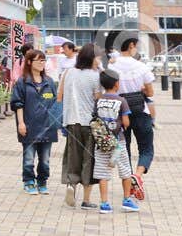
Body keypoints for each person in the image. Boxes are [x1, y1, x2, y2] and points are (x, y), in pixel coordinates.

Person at [10, 47, 62, 194]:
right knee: (29, 158)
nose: (42, 63)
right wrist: (21, 123)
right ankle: (29, 182)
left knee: (45, 160)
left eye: (43, 60)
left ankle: (42, 181)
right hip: (29, 126)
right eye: (38, 60)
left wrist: (57, 122)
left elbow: (55, 103)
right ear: (29, 62)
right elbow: (17, 104)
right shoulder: (22, 82)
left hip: (47, 127)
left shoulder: (49, 82)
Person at [58, 43, 103, 208]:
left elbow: (60, 96)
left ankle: (71, 185)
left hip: (71, 121)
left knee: (73, 156)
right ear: (92, 58)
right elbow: (98, 98)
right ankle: (86, 199)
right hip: (89, 123)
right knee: (88, 159)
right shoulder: (95, 76)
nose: (99, 60)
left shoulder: (68, 73)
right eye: (98, 57)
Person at [111, 36, 156, 196]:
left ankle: (129, 181)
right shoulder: (141, 66)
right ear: (131, 46)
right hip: (140, 111)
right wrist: (141, 90)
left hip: (120, 112)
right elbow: (150, 92)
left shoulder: (112, 67)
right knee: (146, 148)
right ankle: (138, 175)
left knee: (124, 148)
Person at [91, 70, 140, 214]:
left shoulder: (98, 100)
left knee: (102, 172)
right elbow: (126, 122)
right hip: (118, 142)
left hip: (101, 142)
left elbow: (95, 118)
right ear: (117, 84)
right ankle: (126, 200)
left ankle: (104, 203)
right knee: (125, 170)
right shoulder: (121, 101)